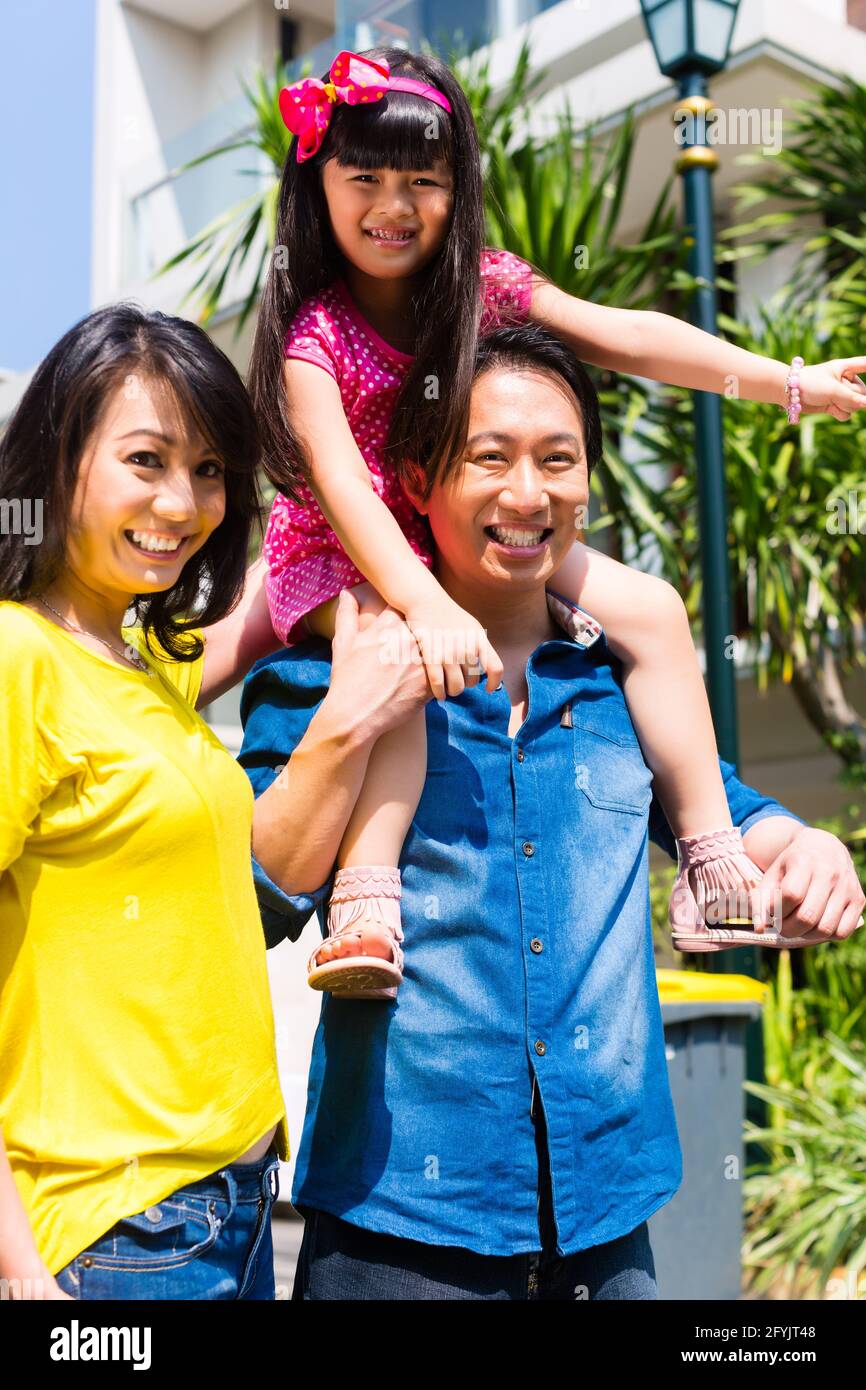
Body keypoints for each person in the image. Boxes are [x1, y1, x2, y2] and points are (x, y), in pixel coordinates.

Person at [239, 323, 864, 1300]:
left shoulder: (624, 681)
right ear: (412, 480)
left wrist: (799, 844)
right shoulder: (327, 671)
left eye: (557, 460)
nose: (527, 493)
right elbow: (253, 902)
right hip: (393, 1235)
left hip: (605, 1230)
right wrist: (345, 724)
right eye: (487, 457)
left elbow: (724, 811)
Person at [244, 44, 866, 997]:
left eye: (425, 180)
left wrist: (786, 382)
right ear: (315, 184)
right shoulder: (314, 338)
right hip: (352, 557)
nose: (394, 205)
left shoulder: (483, 285)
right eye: (362, 177)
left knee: (654, 606)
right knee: (394, 661)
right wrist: (426, 606)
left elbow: (629, 334)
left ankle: (708, 860)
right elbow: (344, 490)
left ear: (459, 190)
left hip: (464, 538)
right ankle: (368, 900)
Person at [0, 304, 287, 1301]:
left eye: (209, 469)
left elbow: (259, 604)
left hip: (234, 1211)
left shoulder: (137, 658)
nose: (183, 503)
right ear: (57, 456)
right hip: (117, 1239)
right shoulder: (15, 657)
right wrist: (14, 1264)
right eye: (146, 460)